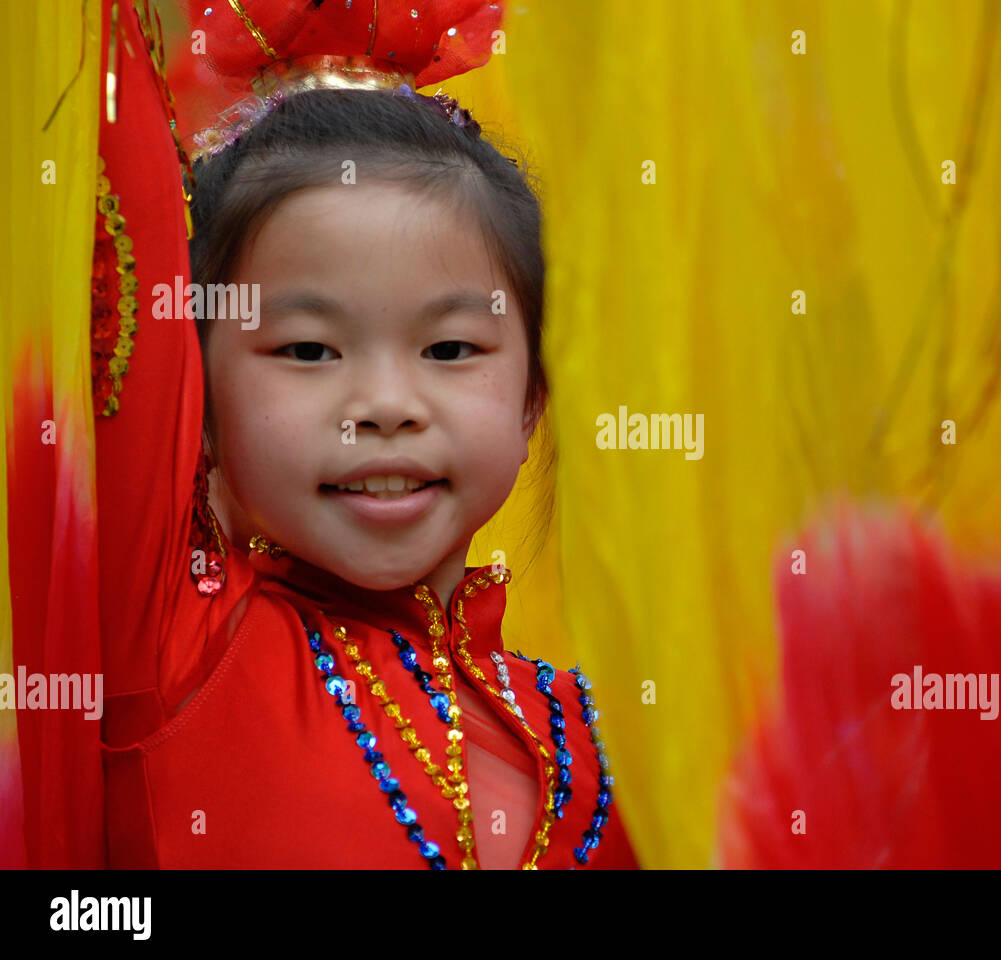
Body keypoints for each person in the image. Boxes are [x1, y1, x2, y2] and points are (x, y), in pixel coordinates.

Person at [14, 0, 636, 869]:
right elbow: (116, 194)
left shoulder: (608, 747)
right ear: (203, 406)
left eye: (450, 347)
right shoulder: (177, 649)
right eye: (308, 349)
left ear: (533, 396)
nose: (384, 403)